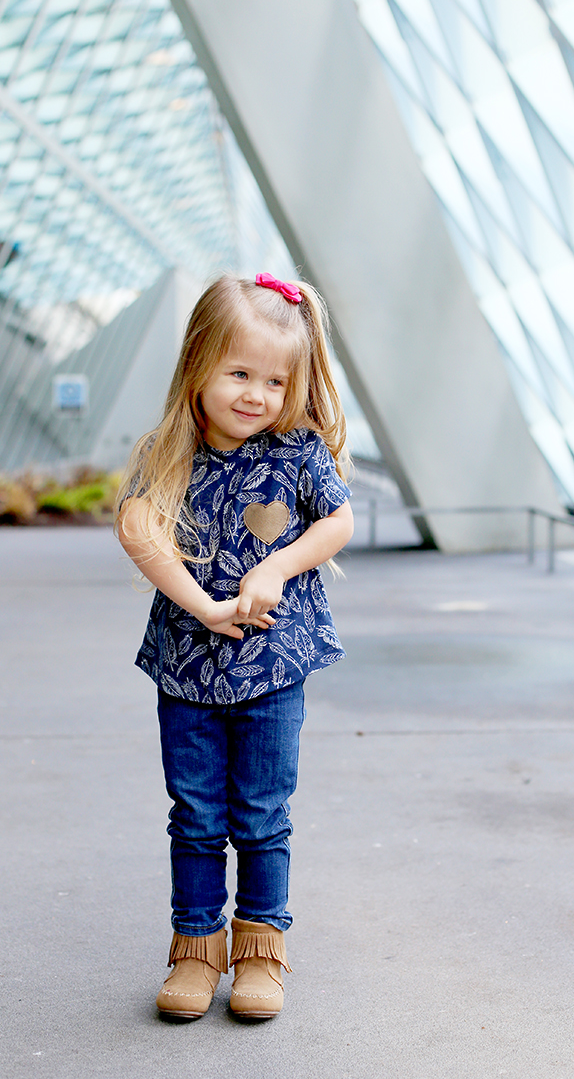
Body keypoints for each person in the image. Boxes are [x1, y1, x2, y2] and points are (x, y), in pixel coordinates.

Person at [115, 272, 354, 1021]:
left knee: (260, 814)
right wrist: (208, 608)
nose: (257, 393)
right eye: (240, 373)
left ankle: (260, 952)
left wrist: (276, 565)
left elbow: (337, 523)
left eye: (275, 380)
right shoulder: (166, 452)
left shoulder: (298, 452)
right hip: (186, 668)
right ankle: (195, 948)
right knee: (194, 814)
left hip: (273, 668)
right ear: (199, 366)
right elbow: (141, 534)